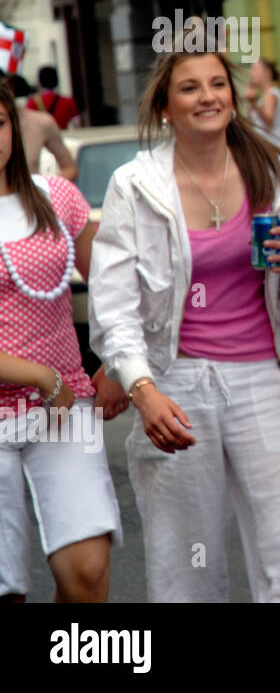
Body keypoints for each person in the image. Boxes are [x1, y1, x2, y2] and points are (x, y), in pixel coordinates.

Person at [89, 46, 280, 602]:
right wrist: (143, 391)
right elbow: (113, 306)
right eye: (190, 87)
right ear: (166, 108)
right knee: (185, 568)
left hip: (263, 379)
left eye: (217, 84)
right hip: (176, 381)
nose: (208, 97)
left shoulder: (277, 175)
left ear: (233, 97)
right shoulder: (136, 185)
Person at [0, 82, 121, 602]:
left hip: (63, 406)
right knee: (7, 589)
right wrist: (39, 376)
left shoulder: (58, 197)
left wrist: (119, 362)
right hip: (45, 389)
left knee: (87, 574)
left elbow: (112, 284)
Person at [5, 75, 76, 180]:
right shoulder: (67, 100)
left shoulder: (36, 111)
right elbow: (77, 122)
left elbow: (70, 168)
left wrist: (43, 190)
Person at [242, 59, 280, 147]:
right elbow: (250, 124)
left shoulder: (272, 94)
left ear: (267, 72)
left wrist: (253, 103)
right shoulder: (264, 97)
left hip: (277, 151)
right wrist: (251, 103)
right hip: (267, 151)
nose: (252, 73)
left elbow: (269, 122)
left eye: (255, 69)